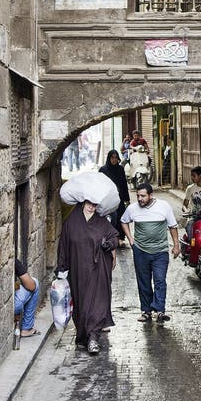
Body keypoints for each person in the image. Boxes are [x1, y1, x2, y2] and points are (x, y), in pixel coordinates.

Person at [56, 198, 119, 355]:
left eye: (94, 205)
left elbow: (114, 236)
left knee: (98, 304)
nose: (92, 207)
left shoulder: (101, 221)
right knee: (81, 306)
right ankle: (83, 337)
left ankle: (93, 338)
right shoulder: (71, 223)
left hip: (98, 271)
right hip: (78, 272)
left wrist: (109, 244)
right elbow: (63, 246)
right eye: (89, 204)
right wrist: (61, 268)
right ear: (83, 203)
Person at [120, 182, 180, 324]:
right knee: (144, 281)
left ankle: (159, 311)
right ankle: (146, 311)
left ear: (151, 195)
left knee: (160, 280)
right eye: (138, 196)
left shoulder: (163, 206)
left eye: (143, 196)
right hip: (140, 251)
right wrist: (130, 239)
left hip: (160, 251)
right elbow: (123, 221)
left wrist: (176, 245)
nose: (140, 199)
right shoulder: (132, 208)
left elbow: (172, 226)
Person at [99, 149, 130, 247]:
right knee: (110, 218)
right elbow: (99, 184)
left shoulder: (120, 169)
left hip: (119, 198)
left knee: (121, 217)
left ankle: (120, 238)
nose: (114, 160)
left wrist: (126, 198)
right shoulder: (103, 170)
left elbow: (124, 184)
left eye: (116, 158)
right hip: (107, 198)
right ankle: (109, 238)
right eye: (112, 157)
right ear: (109, 158)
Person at [14, 259, 40, 337]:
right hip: (15, 306)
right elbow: (31, 286)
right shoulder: (14, 261)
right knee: (35, 283)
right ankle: (26, 328)